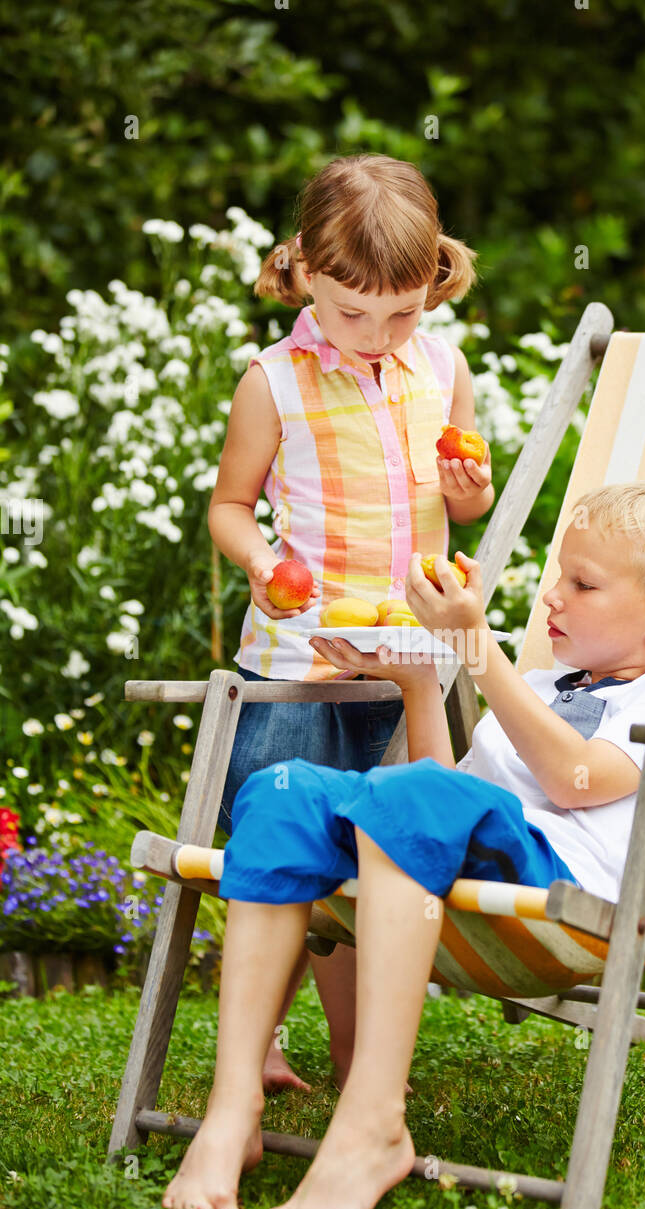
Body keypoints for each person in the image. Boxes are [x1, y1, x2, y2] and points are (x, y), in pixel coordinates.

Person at [162, 478, 645, 1209]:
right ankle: (232, 1106)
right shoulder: (541, 685)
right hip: (467, 865)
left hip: (562, 890)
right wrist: (414, 683)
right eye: (555, 580)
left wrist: (478, 647)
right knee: (280, 791)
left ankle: (374, 1124)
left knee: (414, 800)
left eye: (582, 583)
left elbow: (577, 783)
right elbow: (441, 791)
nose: (552, 600)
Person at [208, 154, 494, 1095]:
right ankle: (252, 1052)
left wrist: (473, 493)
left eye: (404, 311)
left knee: (369, 858)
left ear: (437, 278)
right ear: (303, 276)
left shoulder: (443, 368)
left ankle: (348, 1048)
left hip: (405, 657)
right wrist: (259, 564)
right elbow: (231, 508)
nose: (379, 334)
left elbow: (463, 505)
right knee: (284, 848)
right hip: (298, 661)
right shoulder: (274, 382)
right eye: (350, 312)